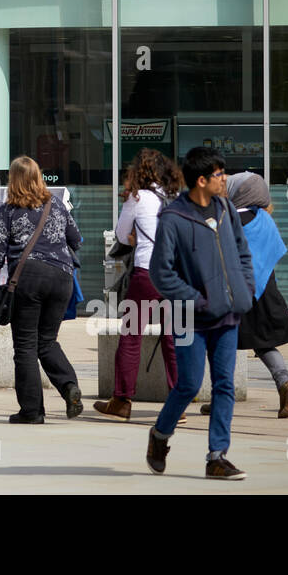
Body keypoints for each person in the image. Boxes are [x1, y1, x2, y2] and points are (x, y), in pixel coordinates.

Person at [146, 147, 253, 480]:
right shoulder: (174, 218)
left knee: (224, 386)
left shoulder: (225, 209)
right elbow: (160, 273)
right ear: (201, 180)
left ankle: (217, 457)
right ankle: (160, 436)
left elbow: (242, 251)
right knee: (189, 385)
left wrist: (244, 288)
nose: (225, 179)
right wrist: (197, 300)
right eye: (219, 174)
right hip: (189, 316)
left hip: (227, 314)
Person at [0, 155, 84, 423]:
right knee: (47, 341)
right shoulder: (57, 204)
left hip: (28, 278)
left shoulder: (8, 210)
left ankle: (32, 411)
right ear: (39, 177)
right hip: (62, 278)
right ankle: (69, 386)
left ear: (13, 180)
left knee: (26, 346)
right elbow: (77, 239)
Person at [95, 149, 183, 421]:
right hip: (175, 276)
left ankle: (122, 400)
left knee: (131, 335)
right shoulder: (177, 198)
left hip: (147, 272)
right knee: (172, 339)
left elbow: (122, 233)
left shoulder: (137, 197)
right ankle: (177, 405)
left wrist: (136, 240)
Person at [213, 171, 288, 419]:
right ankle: (285, 385)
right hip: (267, 291)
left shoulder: (229, 220)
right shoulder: (266, 219)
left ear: (240, 193)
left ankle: (221, 399)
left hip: (239, 293)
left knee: (221, 342)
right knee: (264, 344)